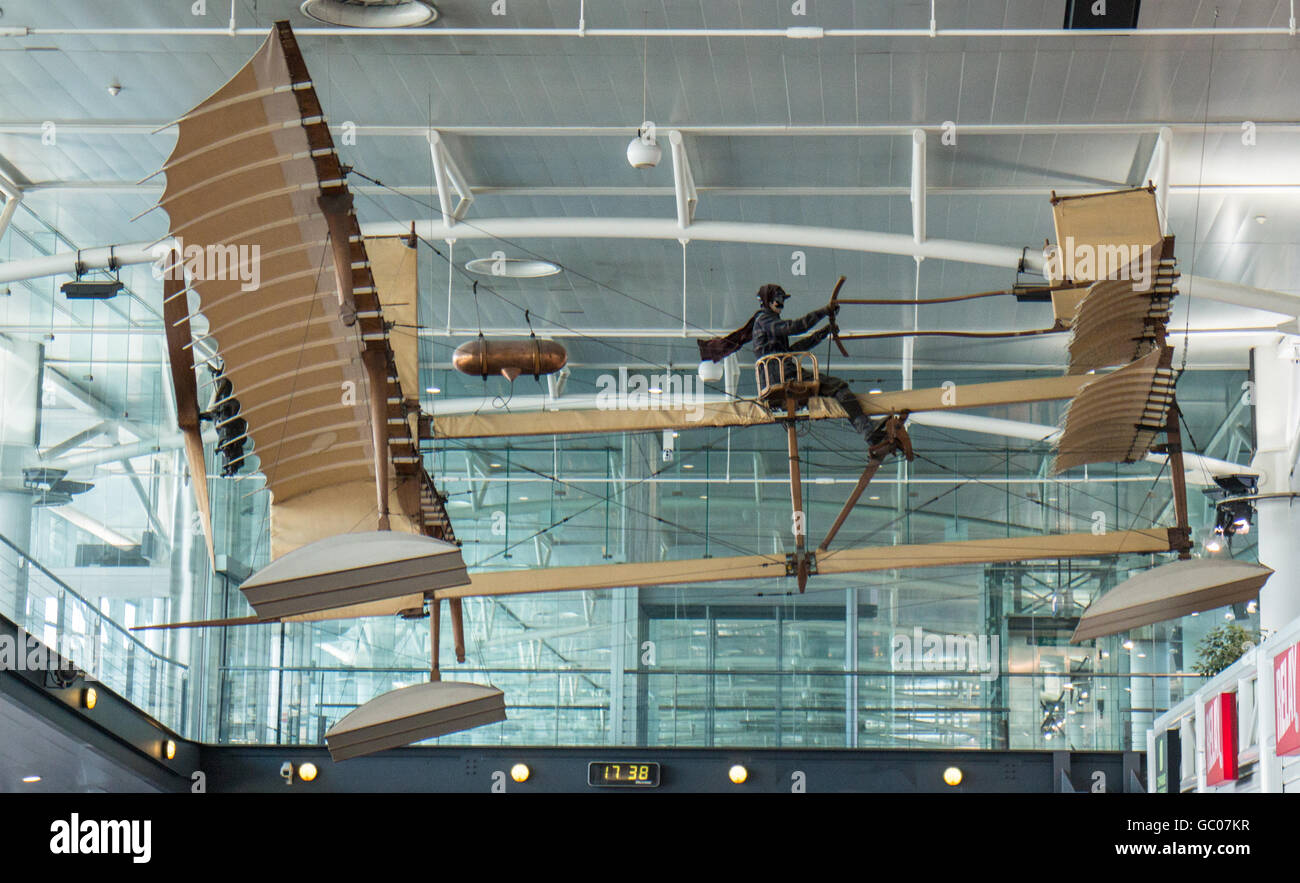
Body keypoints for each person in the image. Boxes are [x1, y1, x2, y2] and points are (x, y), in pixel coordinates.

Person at [697, 284, 883, 446]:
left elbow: (792, 350)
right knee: (839, 387)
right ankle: (868, 431)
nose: (781, 304)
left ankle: (867, 430)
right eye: (778, 300)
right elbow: (795, 327)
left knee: (835, 387)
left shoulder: (768, 324)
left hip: (781, 373)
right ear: (768, 301)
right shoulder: (765, 320)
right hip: (783, 376)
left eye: (782, 300)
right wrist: (823, 312)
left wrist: (822, 333)